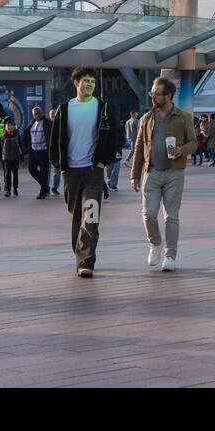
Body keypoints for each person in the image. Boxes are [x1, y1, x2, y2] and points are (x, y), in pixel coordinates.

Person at [48, 68, 120, 278]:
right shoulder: (65, 109)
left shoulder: (102, 108)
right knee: (76, 217)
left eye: (92, 82)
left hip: (93, 172)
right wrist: (60, 165)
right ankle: (79, 255)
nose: (89, 85)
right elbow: (55, 141)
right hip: (71, 172)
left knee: (90, 217)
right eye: (85, 81)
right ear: (76, 83)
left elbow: (114, 135)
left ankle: (86, 261)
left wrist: (102, 162)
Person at [130, 76, 197, 271]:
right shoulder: (147, 118)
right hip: (151, 172)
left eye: (156, 94)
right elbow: (139, 146)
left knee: (171, 216)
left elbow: (193, 142)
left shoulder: (183, 118)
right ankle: (155, 243)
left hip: (174, 173)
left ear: (168, 96)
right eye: (152, 93)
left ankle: (170, 256)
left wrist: (181, 150)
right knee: (149, 214)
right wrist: (134, 174)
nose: (152, 96)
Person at [23, 107, 51, 199]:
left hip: (43, 151)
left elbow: (51, 136)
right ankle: (45, 186)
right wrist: (27, 148)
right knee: (31, 169)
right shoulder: (32, 123)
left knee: (44, 172)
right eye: (35, 114)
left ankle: (43, 192)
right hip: (33, 151)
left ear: (41, 113)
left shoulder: (47, 122)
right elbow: (26, 134)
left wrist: (50, 148)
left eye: (38, 113)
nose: (37, 115)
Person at [1, 117, 22, 197]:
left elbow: (21, 146)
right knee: (7, 174)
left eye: (10, 126)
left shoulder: (17, 135)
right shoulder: (3, 136)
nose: (9, 127)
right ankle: (8, 190)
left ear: (14, 126)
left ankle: (15, 189)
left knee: (15, 174)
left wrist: (21, 156)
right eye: (7, 126)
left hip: (15, 157)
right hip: (6, 158)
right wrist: (2, 156)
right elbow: (1, 147)